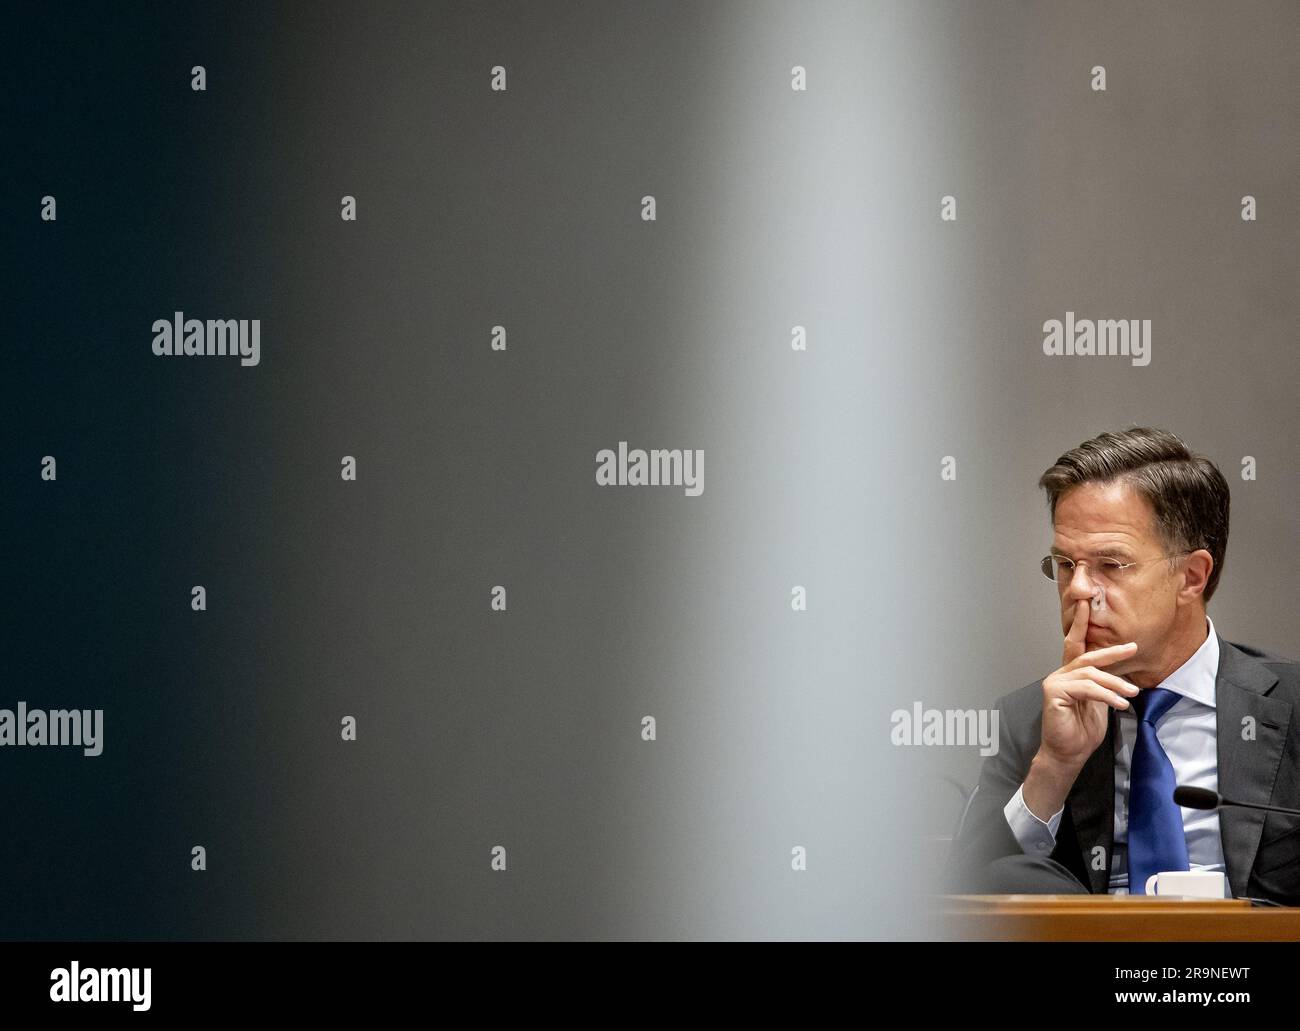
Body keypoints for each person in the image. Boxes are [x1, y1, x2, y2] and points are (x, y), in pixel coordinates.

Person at [950, 427, 1300, 902]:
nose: (1077, 590)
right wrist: (1055, 766)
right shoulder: (1030, 720)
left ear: (1191, 577)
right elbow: (966, 894)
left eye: (1110, 565)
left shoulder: (1290, 706)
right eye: (1066, 564)